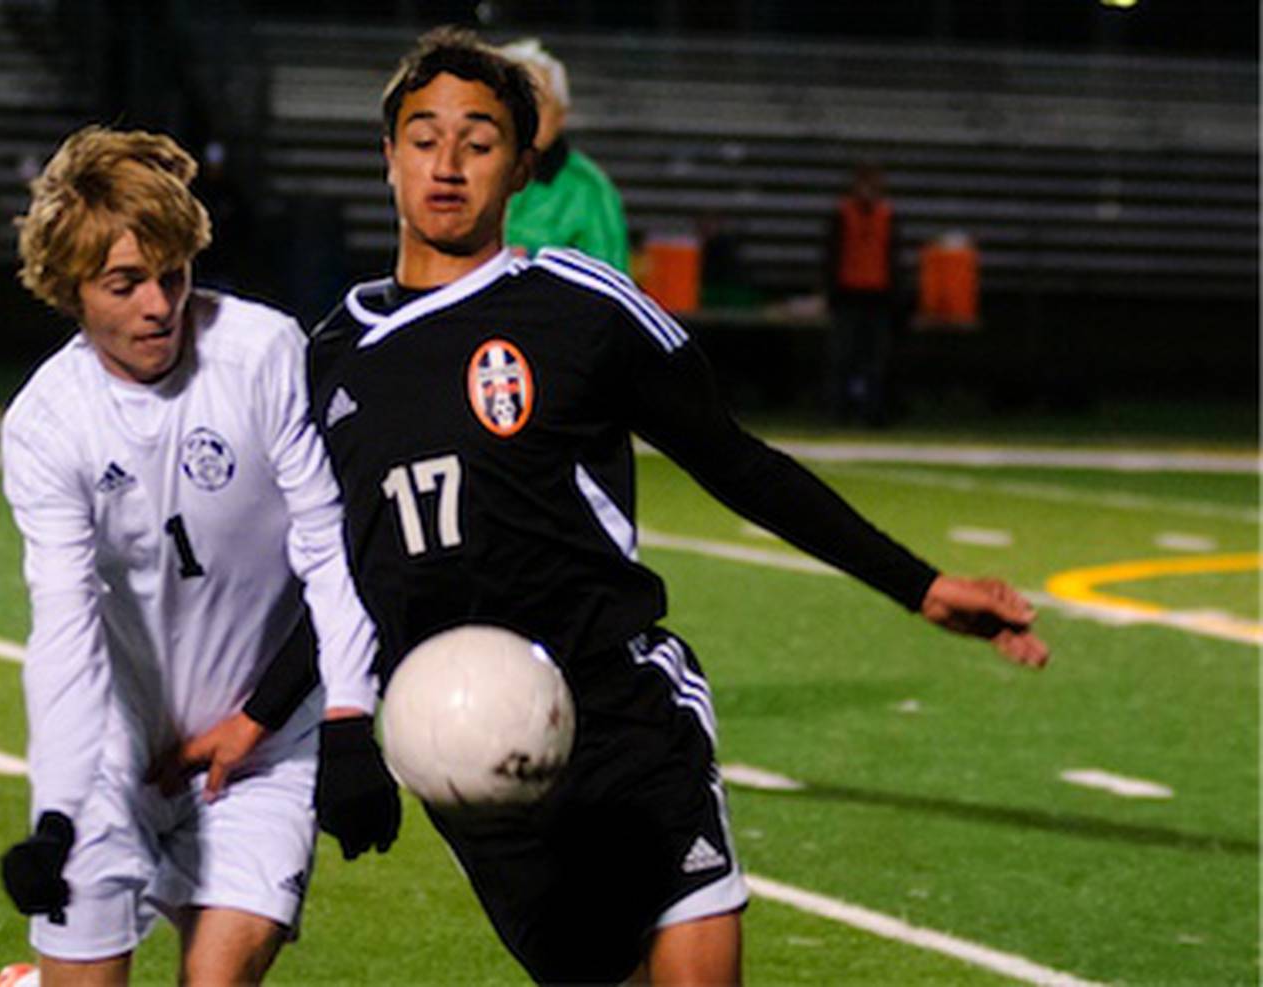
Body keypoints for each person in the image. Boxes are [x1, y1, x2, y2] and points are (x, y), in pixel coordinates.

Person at [306, 28, 1049, 986]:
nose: (447, 164)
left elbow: (737, 462)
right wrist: (323, 726)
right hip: (459, 743)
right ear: (388, 155)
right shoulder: (329, 358)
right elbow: (325, 566)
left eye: (479, 141)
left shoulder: (580, 306)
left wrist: (920, 584)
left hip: (619, 706)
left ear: (522, 166)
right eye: (423, 136)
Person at [0, 125, 395, 986]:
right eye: (125, 283)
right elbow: (64, 631)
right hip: (116, 752)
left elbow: (329, 549)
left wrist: (351, 718)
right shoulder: (46, 424)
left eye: (172, 275)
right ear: (69, 288)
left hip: (265, 749)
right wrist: (59, 815)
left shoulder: (262, 352)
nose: (159, 305)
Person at [500, 38, 630, 272]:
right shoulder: (461, 172)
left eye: (539, 102)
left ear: (562, 115)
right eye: (514, 101)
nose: (526, 114)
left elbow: (609, 285)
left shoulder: (588, 189)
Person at [824, 161, 902, 426]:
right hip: (848, 294)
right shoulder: (843, 213)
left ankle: (873, 413)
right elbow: (831, 254)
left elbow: (894, 256)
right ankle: (839, 412)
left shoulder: (887, 215)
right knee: (842, 358)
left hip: (878, 295)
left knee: (876, 361)